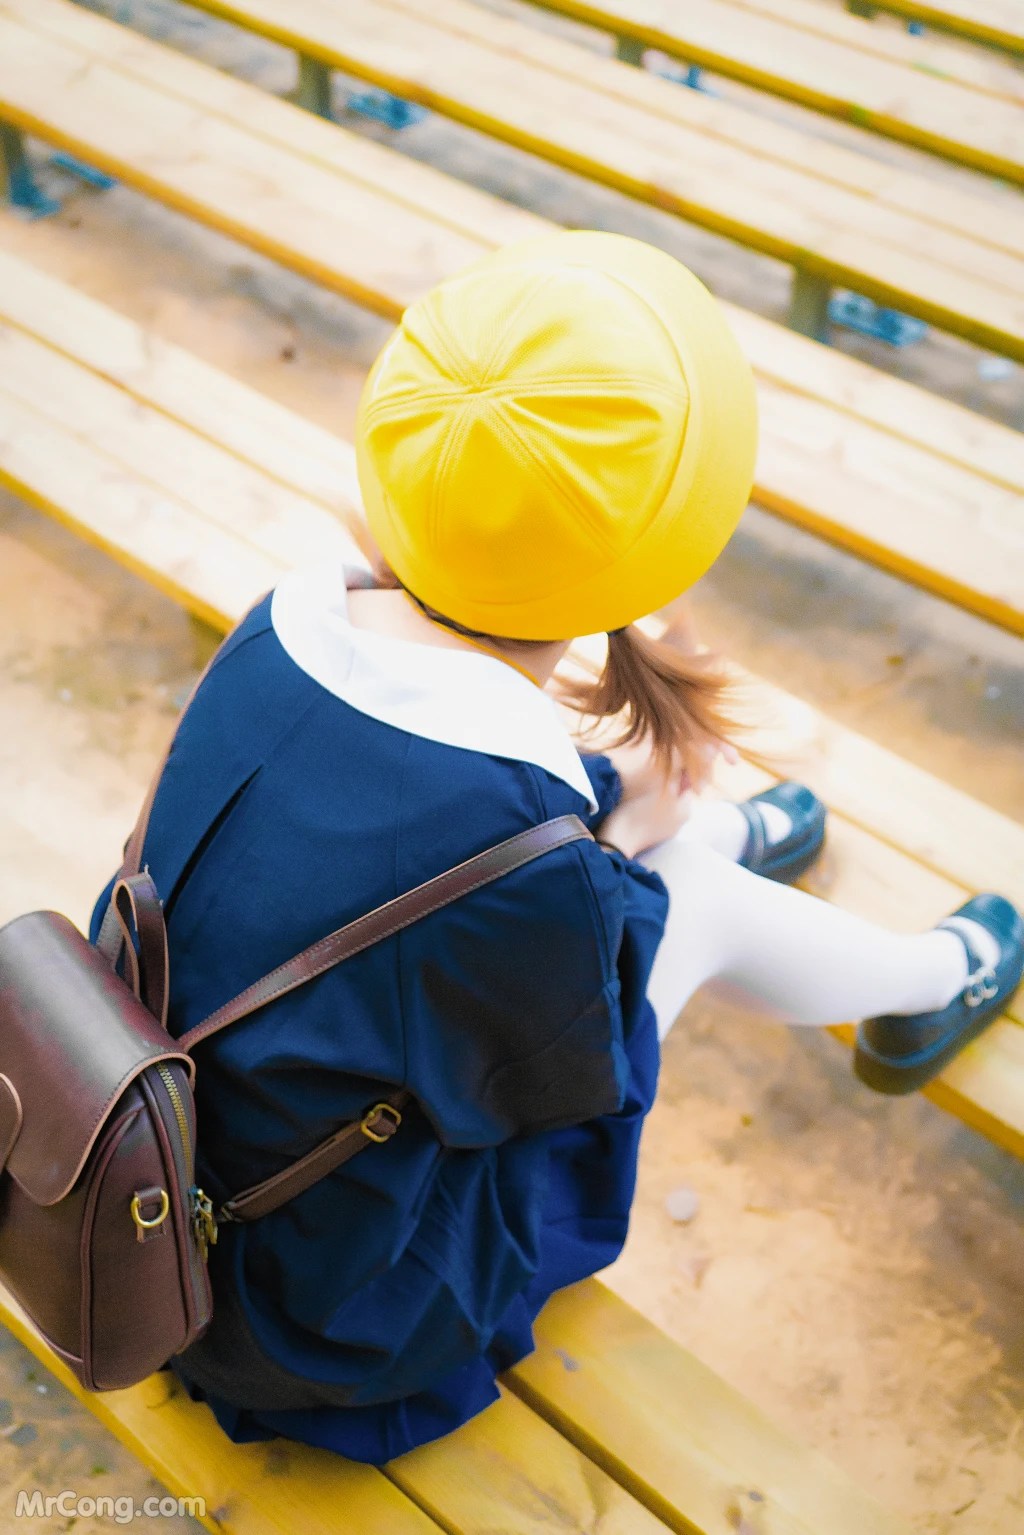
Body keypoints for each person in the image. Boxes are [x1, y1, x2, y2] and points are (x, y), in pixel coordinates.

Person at [91, 230, 1023, 1464]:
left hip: (156, 1180)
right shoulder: (526, 862)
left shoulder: (276, 629)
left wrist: (602, 841)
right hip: (317, 1317)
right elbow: (571, 1078)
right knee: (692, 895)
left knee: (632, 861)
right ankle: (930, 979)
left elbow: (395, 823)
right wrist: (619, 858)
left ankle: (714, 836)